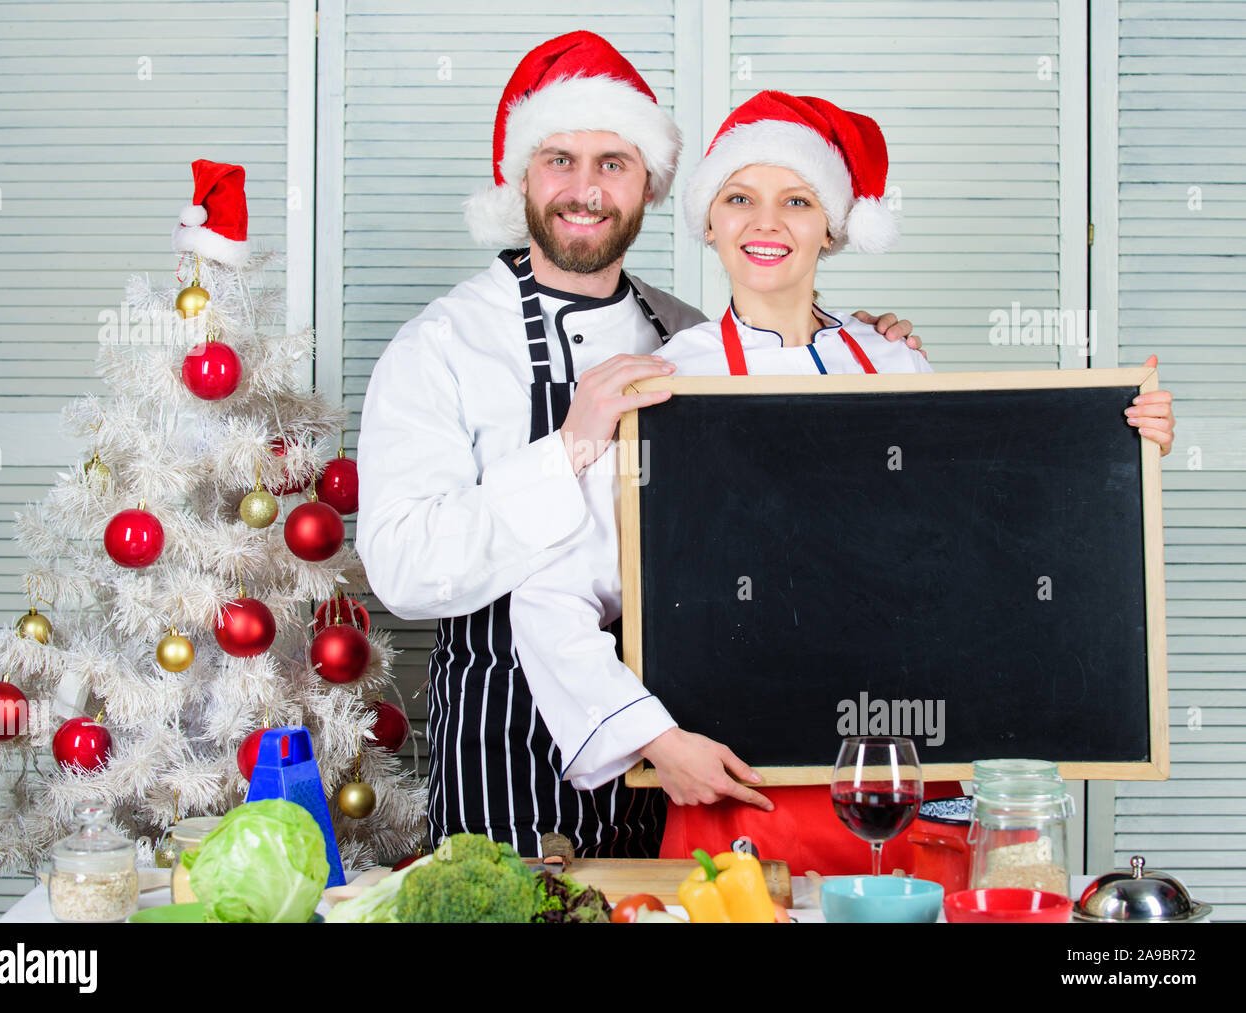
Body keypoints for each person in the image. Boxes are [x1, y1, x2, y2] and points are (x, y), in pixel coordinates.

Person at [508, 90, 1177, 876]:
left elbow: (996, 548)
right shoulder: (660, 387)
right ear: (708, 222)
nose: (766, 222)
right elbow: (549, 596)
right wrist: (656, 740)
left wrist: (1113, 447)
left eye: (797, 200)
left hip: (912, 787)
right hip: (741, 797)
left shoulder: (896, 365)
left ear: (831, 227)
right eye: (739, 198)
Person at [356, 33, 924, 859]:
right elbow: (406, 570)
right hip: (505, 743)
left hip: (696, 741)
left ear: (650, 185)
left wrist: (870, 349)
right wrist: (569, 445)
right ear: (521, 177)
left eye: (613, 163)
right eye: (559, 159)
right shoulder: (442, 343)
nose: (586, 189)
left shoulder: (682, 340)